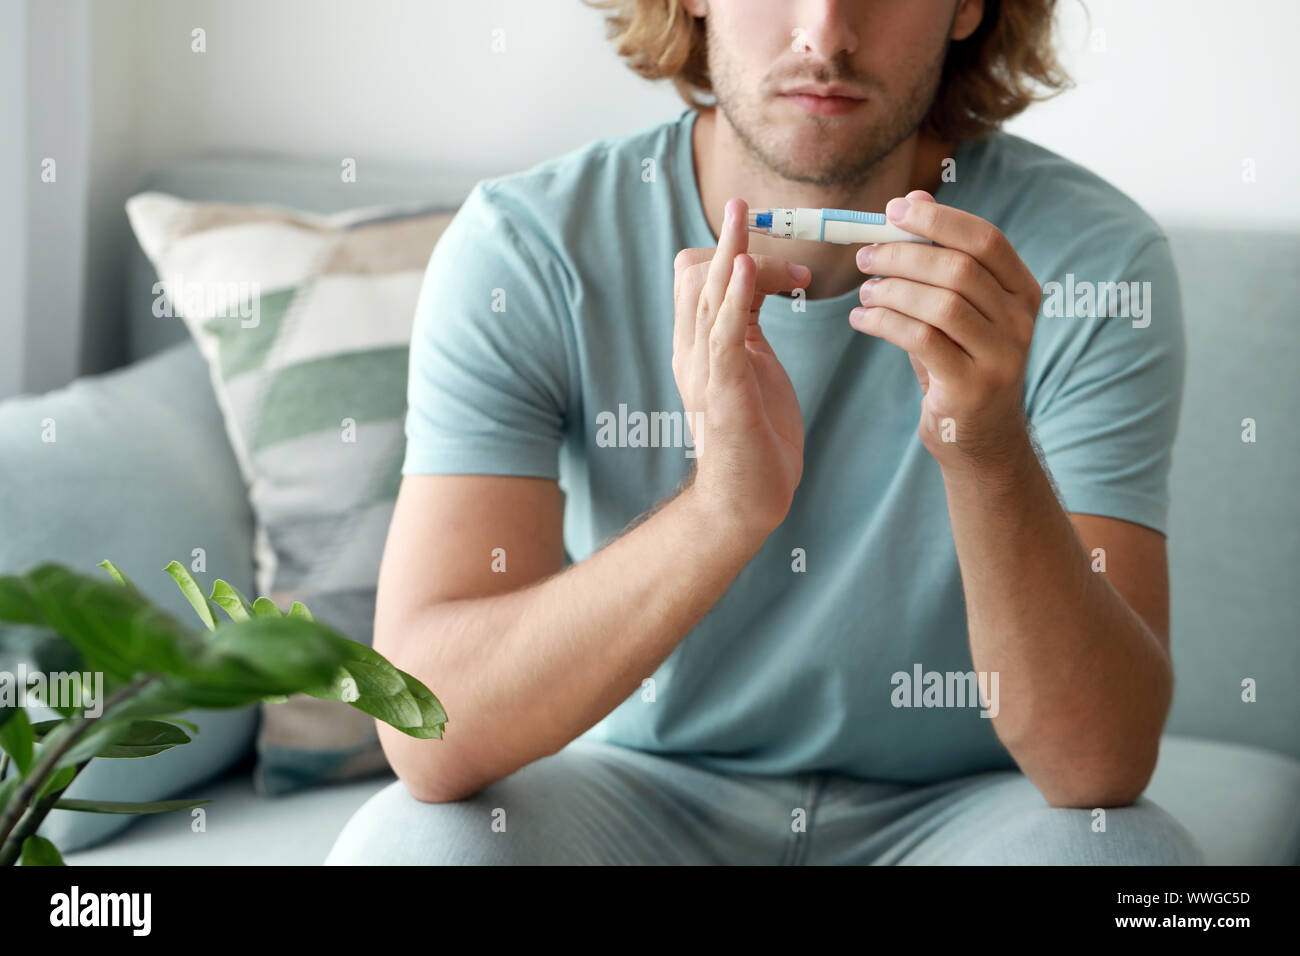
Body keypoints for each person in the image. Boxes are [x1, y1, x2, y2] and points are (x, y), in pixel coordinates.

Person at [327, 0, 1203, 865]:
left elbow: (1100, 764)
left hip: (975, 809)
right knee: (405, 849)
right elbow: (424, 729)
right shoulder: (526, 249)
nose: (826, 33)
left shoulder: (1093, 261)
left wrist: (988, 450)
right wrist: (722, 511)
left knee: (1131, 866)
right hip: (638, 787)